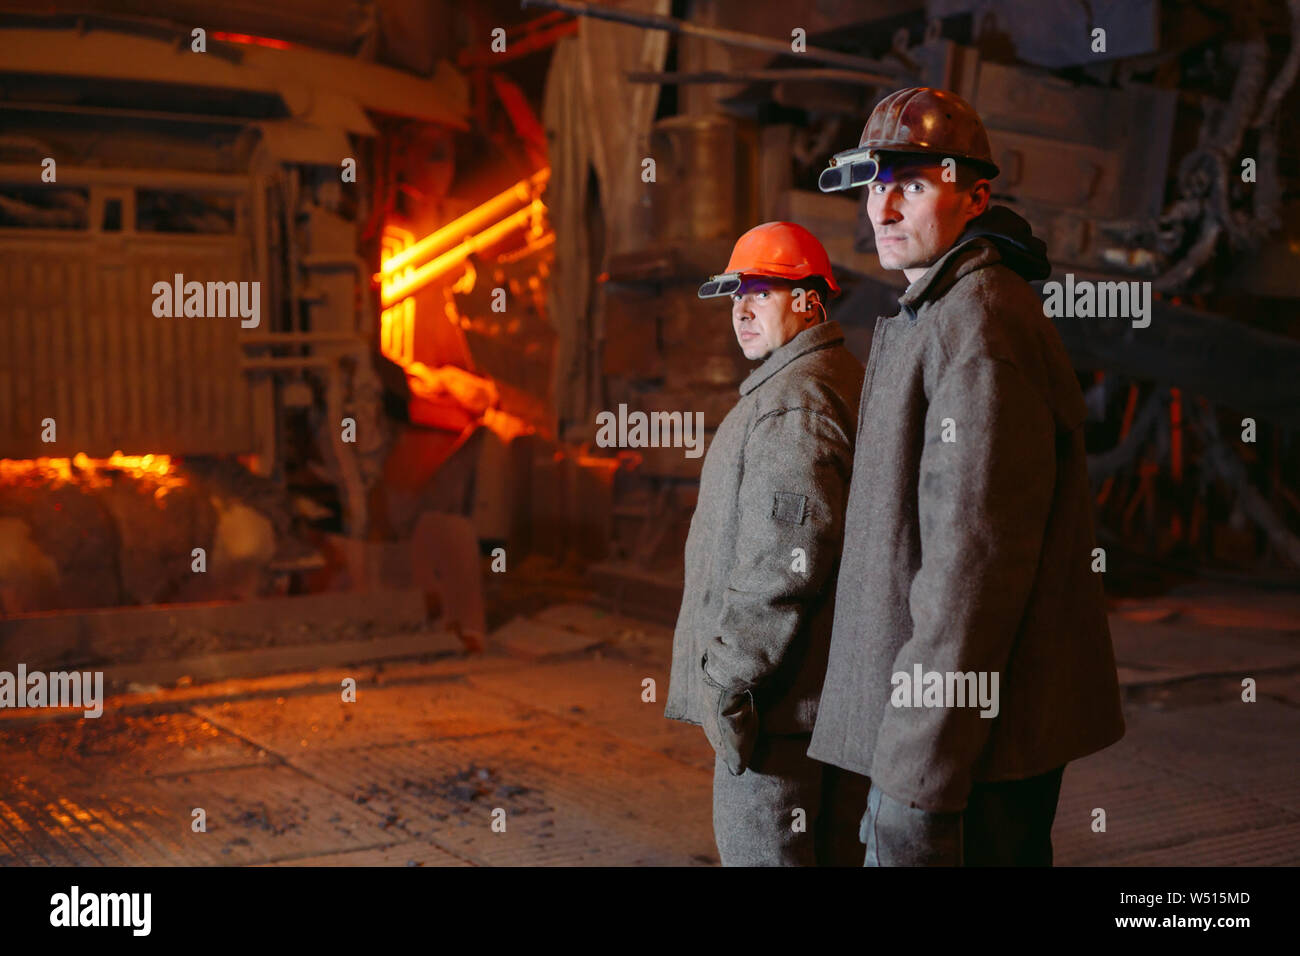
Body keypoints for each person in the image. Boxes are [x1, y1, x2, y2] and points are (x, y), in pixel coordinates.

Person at [810, 87, 1125, 866]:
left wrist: (918, 770)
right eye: (874, 185)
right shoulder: (941, 310)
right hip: (960, 734)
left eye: (910, 184)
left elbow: (970, 576)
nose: (882, 208)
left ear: (974, 196)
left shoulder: (978, 327)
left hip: (977, 746)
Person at [664, 221, 867, 865]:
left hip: (775, 715)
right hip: (816, 707)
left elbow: (782, 565)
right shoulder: (829, 378)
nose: (742, 310)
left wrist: (727, 680)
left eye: (762, 292)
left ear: (810, 300)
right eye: (735, 294)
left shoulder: (794, 404)